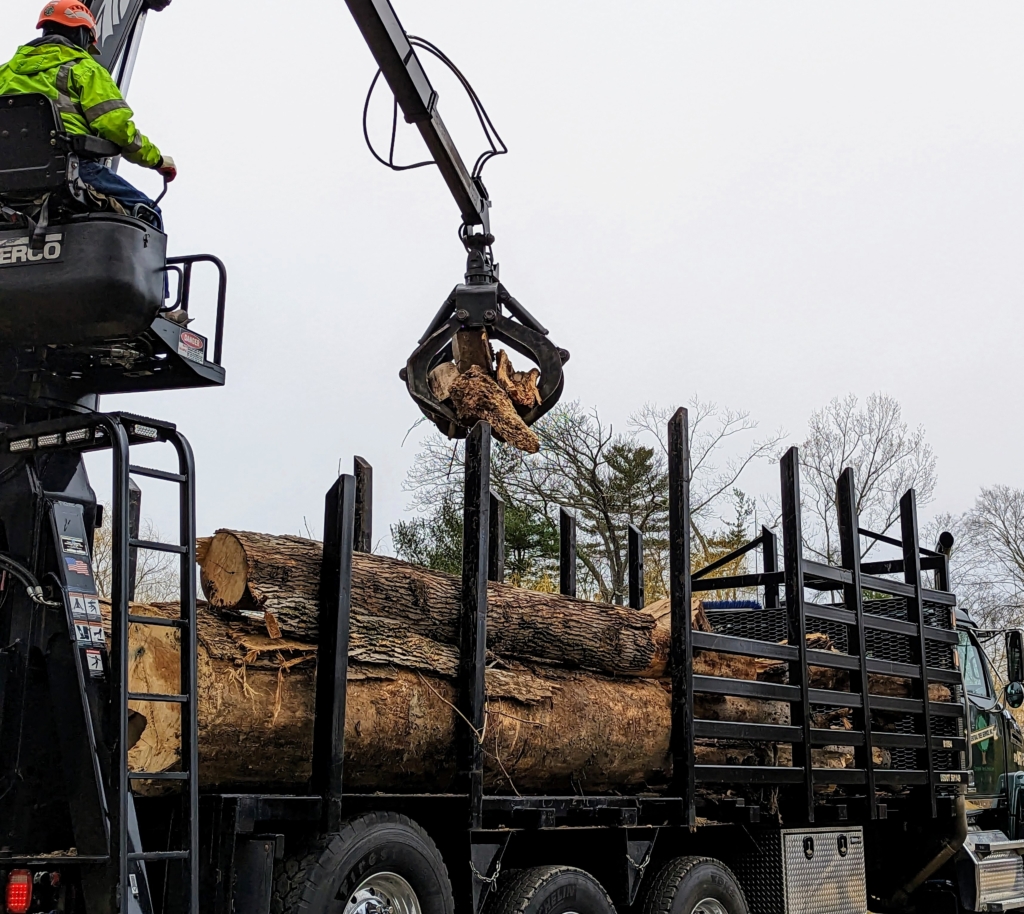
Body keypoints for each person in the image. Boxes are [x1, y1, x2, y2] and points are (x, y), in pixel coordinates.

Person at [0, 1, 177, 226]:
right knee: (148, 214)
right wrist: (157, 160)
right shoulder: (85, 69)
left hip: (7, 181)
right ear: (82, 34)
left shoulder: (4, 73)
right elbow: (116, 128)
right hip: (69, 169)